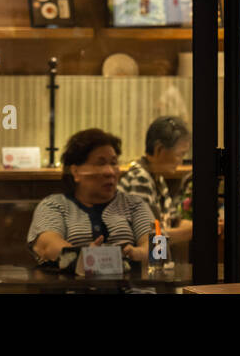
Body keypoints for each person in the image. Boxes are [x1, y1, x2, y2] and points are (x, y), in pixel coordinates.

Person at [28, 128, 153, 272]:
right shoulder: (54, 205)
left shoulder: (135, 204)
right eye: (100, 163)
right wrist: (87, 256)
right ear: (76, 172)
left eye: (113, 163)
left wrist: (139, 253)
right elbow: (47, 247)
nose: (110, 172)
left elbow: (160, 250)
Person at [119, 116, 191, 246]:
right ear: (159, 149)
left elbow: (173, 221)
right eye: (179, 154)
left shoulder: (157, 177)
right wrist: (190, 232)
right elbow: (149, 240)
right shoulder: (140, 179)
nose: (180, 161)